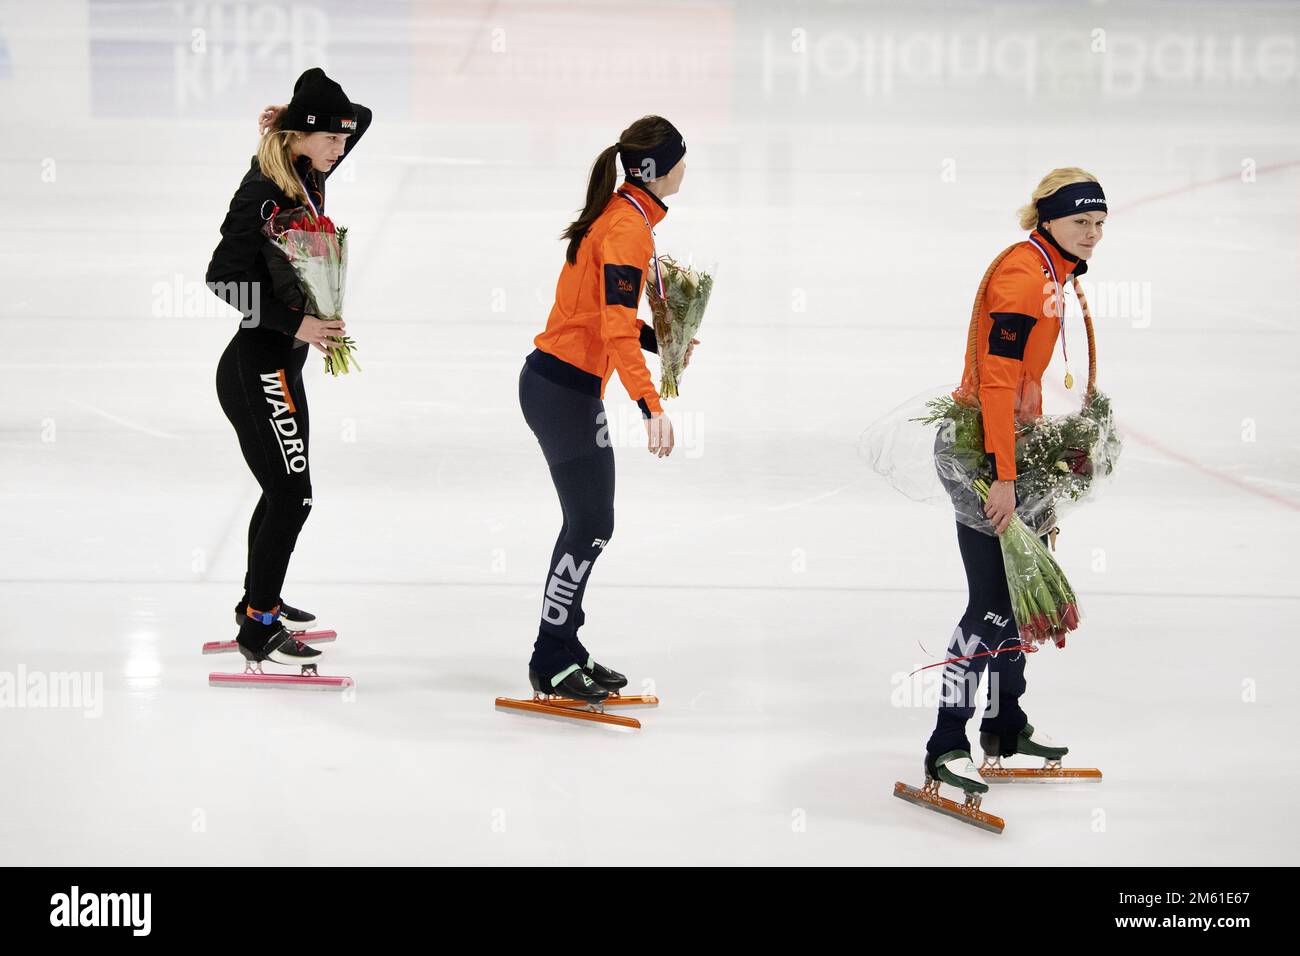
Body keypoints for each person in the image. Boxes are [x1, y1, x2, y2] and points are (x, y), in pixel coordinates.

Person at [925, 168, 1107, 796]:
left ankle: (1004, 726)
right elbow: (998, 383)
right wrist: (1004, 477)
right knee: (991, 606)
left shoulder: (1055, 272)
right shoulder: (1024, 275)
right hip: (979, 453)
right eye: (1081, 221)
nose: (1093, 234)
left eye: (1100, 223)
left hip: (1012, 448)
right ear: (1048, 220)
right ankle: (945, 744)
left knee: (1018, 597)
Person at [518, 115, 696, 703]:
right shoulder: (628, 228)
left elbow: (598, 314)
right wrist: (651, 405)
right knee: (592, 524)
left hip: (561, 384)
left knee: (590, 522)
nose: (685, 169)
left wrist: (659, 341)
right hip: (562, 390)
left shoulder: (623, 214)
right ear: (657, 168)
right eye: (680, 159)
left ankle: (564, 647)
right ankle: (550, 656)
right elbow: (615, 327)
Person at [206, 68, 371, 667]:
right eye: (332, 139)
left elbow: (361, 118)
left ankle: (259, 600)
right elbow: (221, 278)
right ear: (302, 135)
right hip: (258, 368)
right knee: (292, 498)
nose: (343, 149)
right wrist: (296, 323)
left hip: (283, 365)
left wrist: (298, 113)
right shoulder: (263, 192)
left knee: (282, 493)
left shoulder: (307, 168)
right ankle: (259, 626)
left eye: (343, 140)